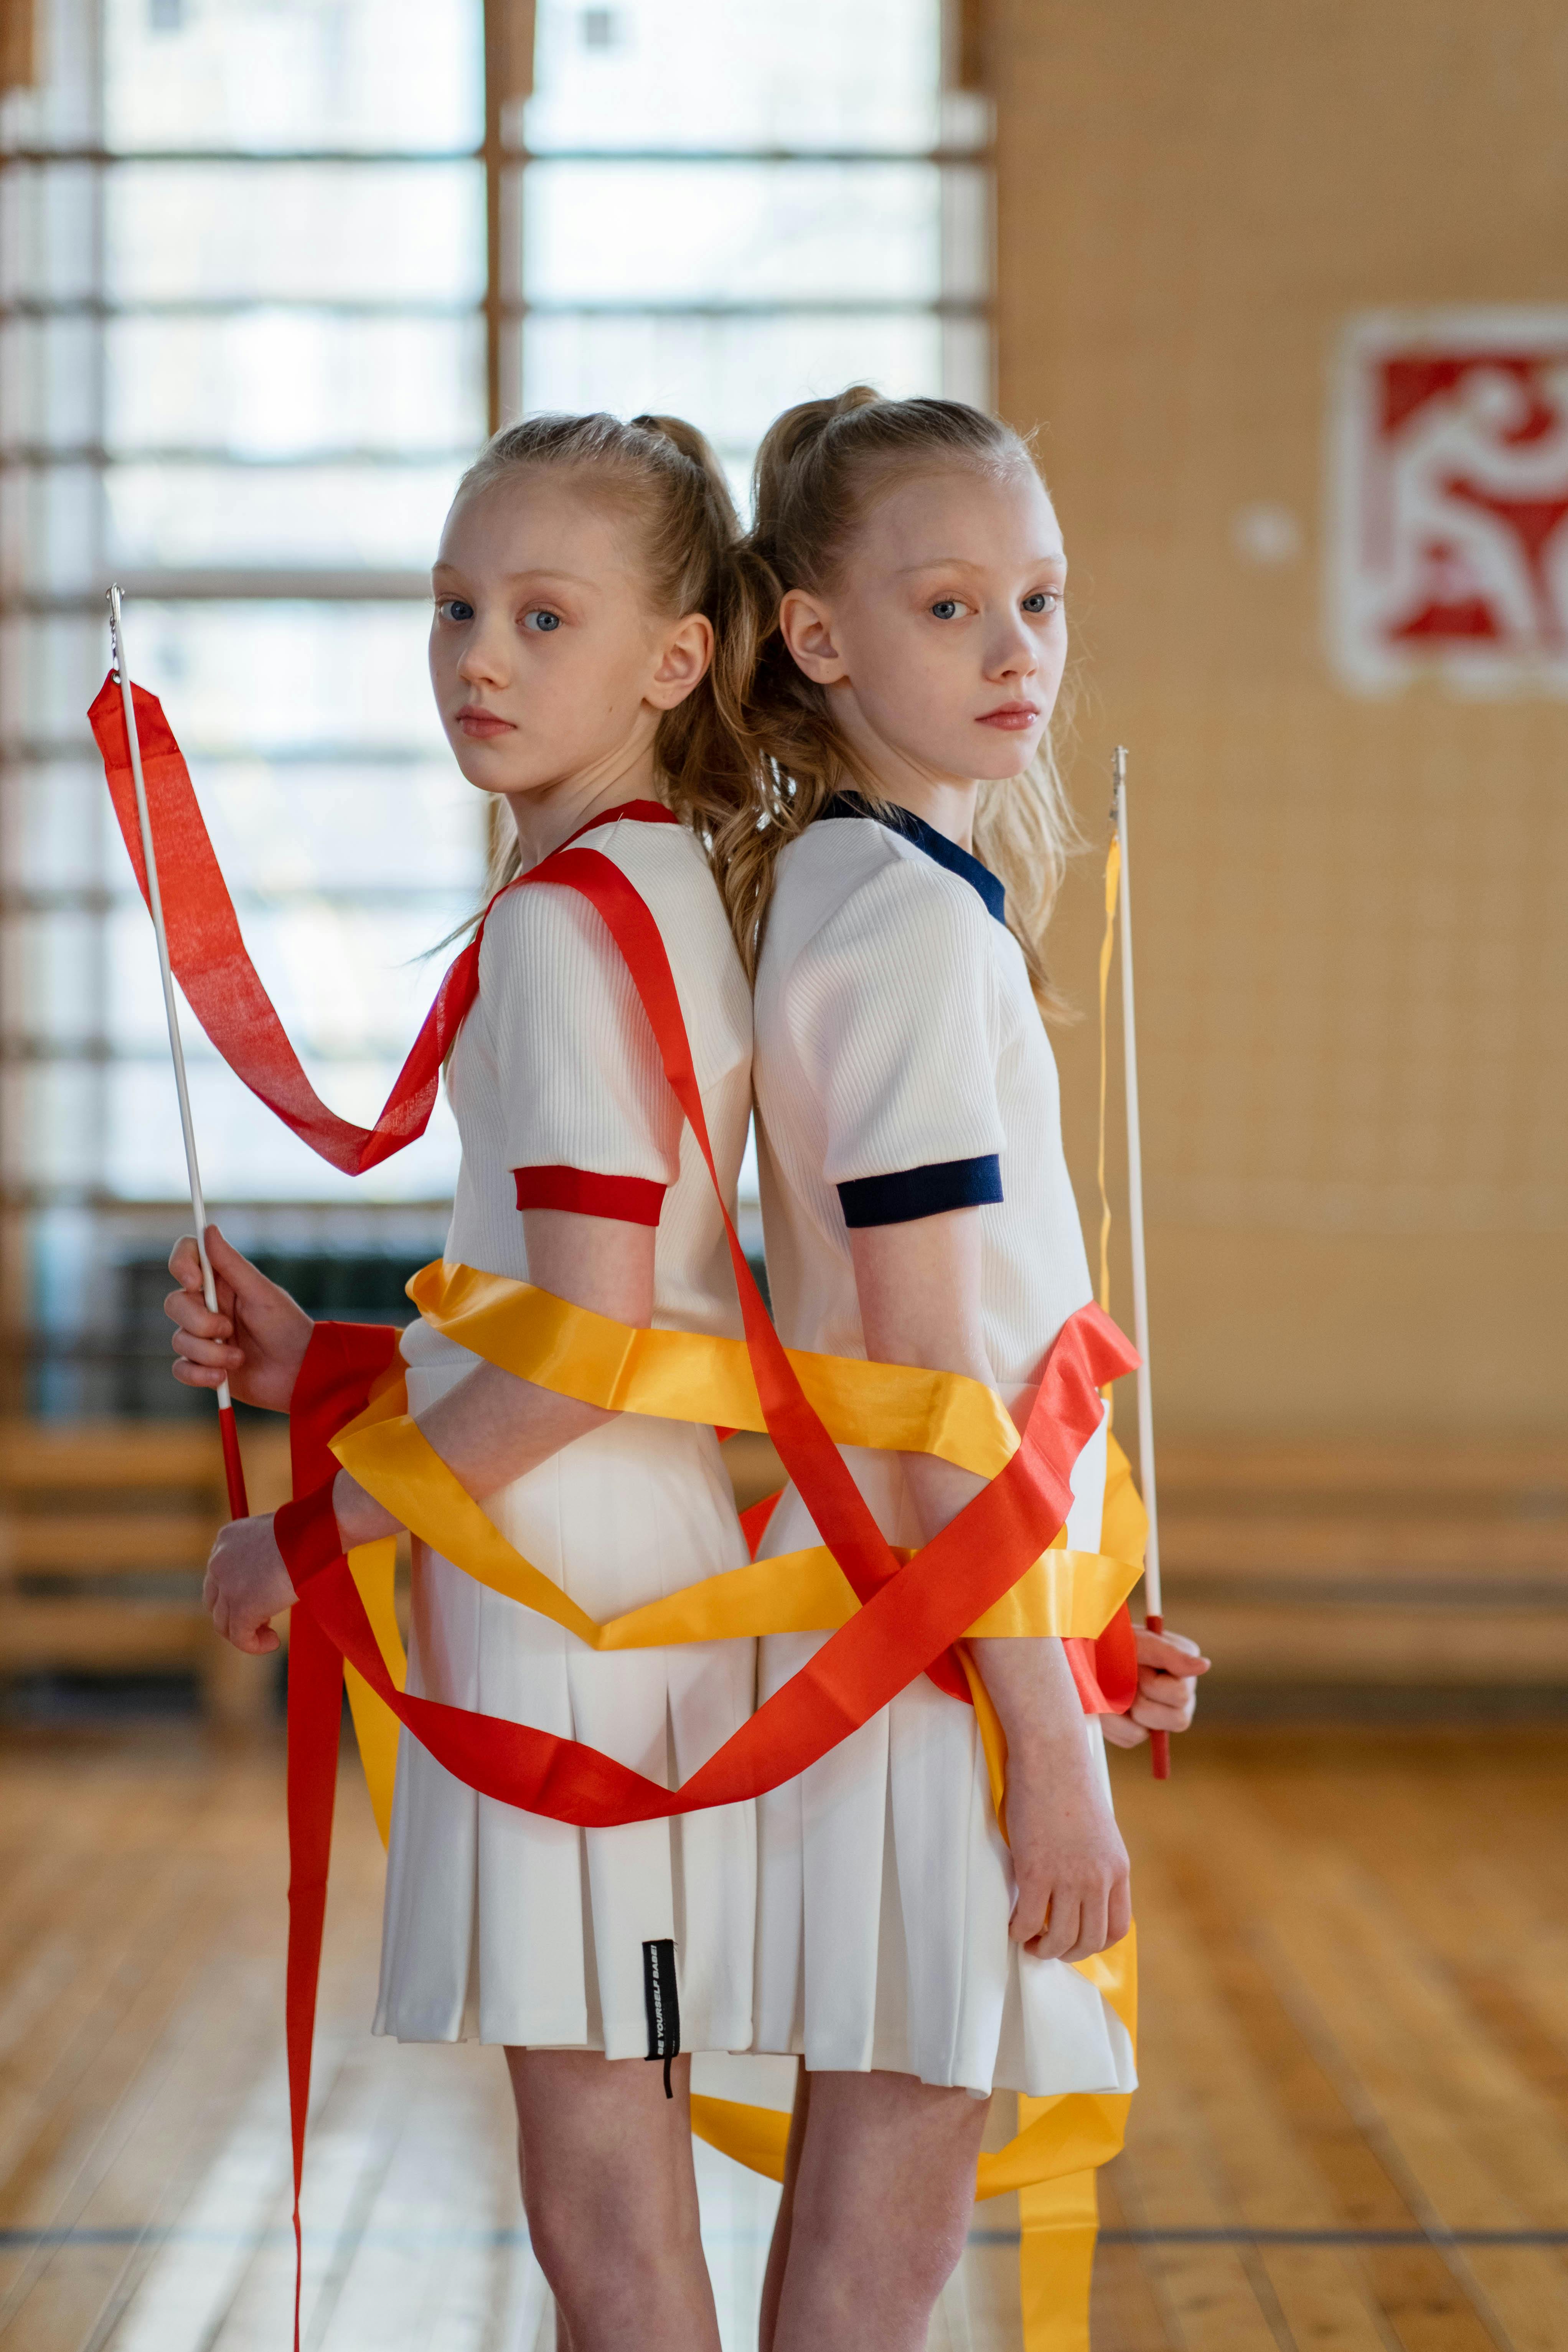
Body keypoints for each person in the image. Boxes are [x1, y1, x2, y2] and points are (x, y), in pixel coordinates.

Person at [167, 412, 762, 2352]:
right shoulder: (638, 880)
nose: (477, 659)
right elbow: (594, 1308)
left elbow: (585, 1346)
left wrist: (309, 1523)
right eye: (452, 610)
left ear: (673, 660)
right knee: (611, 2173)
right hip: (604, 1561)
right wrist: (326, 1360)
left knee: (599, 2195)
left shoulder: (568, 924)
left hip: (563, 1597)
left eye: (539, 616)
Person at [699, 388, 1209, 2351]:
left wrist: (1078, 1641)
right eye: (947, 607)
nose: (1016, 655)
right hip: (923, 1663)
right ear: (816, 637)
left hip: (940, 1629)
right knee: (886, 2248)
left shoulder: (873, 891)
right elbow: (927, 1389)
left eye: (1039, 601)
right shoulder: (906, 935)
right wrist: (1052, 1746)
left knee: (869, 2215)